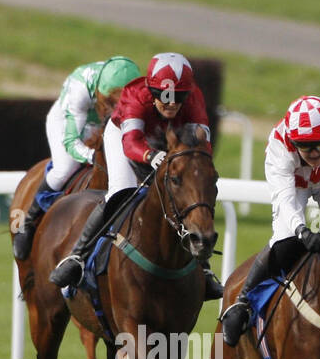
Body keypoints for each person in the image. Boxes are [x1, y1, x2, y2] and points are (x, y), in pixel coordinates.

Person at [48, 52, 224, 300]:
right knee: (122, 192)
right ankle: (77, 257)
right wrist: (152, 157)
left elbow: (202, 144)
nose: (171, 103)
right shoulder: (135, 97)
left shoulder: (194, 99)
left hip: (168, 138)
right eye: (164, 96)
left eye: (178, 97)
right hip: (125, 135)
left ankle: (203, 269)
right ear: (152, 91)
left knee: (185, 195)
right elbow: (131, 143)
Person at [220, 96, 320, 346]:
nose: (313, 153)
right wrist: (302, 231)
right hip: (296, 188)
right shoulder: (279, 142)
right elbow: (284, 200)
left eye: (319, 145)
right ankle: (243, 302)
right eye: (304, 146)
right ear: (292, 141)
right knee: (284, 240)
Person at [12, 55, 141, 261]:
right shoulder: (80, 89)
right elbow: (72, 142)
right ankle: (27, 222)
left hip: (105, 122)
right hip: (67, 119)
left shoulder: (137, 91)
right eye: (111, 102)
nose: (116, 107)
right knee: (65, 168)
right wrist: (96, 157)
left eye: (122, 103)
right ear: (101, 94)